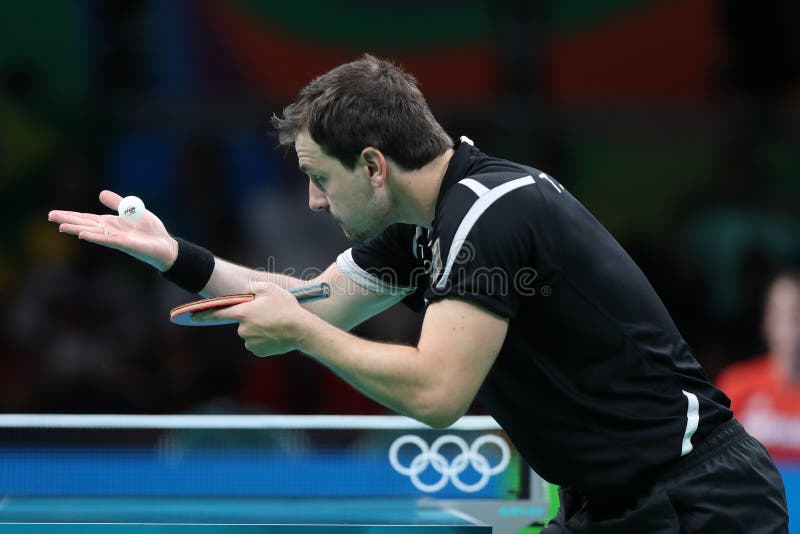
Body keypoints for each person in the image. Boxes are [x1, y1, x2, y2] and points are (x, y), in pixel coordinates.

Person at [48, 54, 788, 532]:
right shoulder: (421, 222)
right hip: (609, 507)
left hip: (698, 501)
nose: (310, 201)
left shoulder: (495, 214)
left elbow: (436, 392)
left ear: (373, 165)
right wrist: (175, 254)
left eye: (320, 176)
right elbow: (316, 300)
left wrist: (302, 334)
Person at [717, 272, 800, 462]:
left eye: (796, 315)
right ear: (765, 323)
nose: (788, 327)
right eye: (779, 315)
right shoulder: (735, 384)